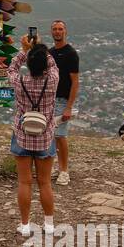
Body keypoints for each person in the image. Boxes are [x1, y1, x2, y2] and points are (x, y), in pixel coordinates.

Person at [8, 34, 59, 237]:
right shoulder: (53, 80)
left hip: (22, 135)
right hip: (45, 137)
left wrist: (24, 49)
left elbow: (11, 69)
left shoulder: (20, 82)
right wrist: (38, 48)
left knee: (24, 182)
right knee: (45, 182)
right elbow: (53, 64)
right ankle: (49, 224)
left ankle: (25, 225)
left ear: (28, 64)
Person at [48, 20, 79, 186]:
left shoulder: (71, 53)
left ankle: (64, 170)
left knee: (60, 135)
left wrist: (69, 106)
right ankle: (56, 167)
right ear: (51, 32)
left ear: (65, 31)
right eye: (55, 29)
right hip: (49, 99)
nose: (57, 32)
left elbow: (75, 81)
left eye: (60, 29)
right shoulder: (50, 52)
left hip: (62, 100)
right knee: (51, 136)